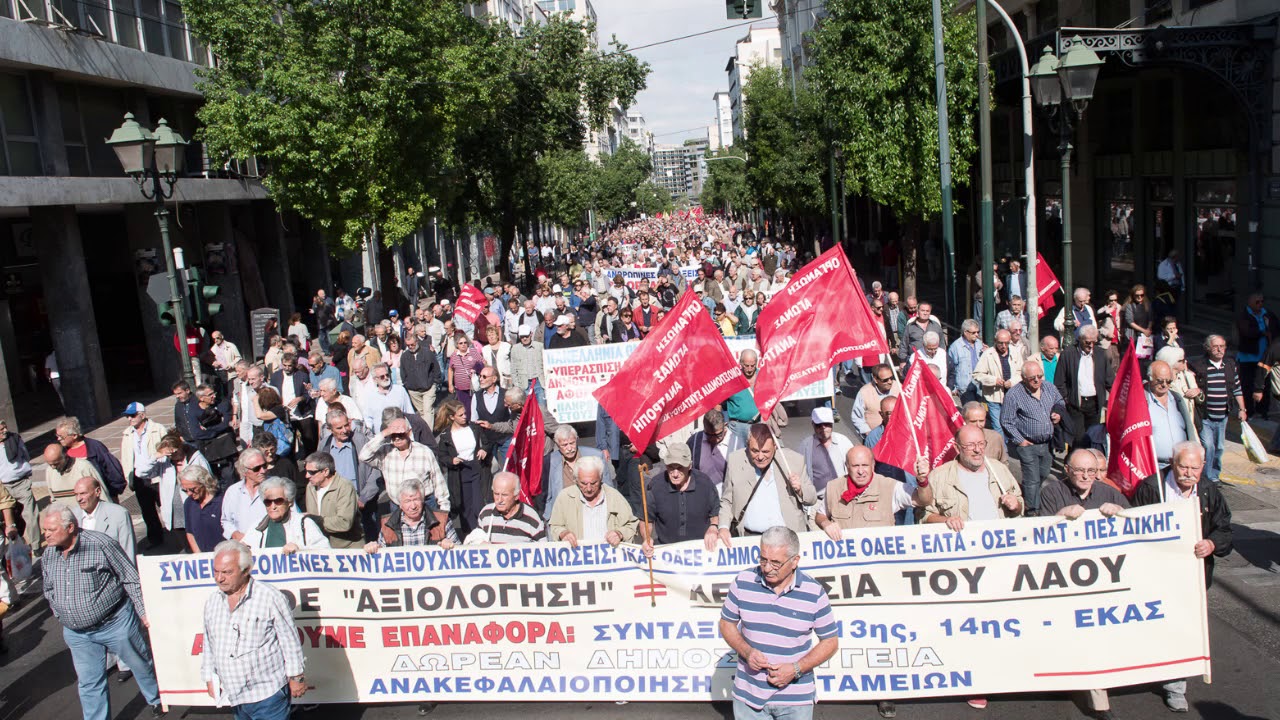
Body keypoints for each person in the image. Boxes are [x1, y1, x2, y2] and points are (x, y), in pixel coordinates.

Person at [39, 505, 166, 719]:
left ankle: (156, 698)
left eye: (51, 530)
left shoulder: (100, 544)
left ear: (70, 527)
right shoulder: (49, 555)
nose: (46, 535)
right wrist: (59, 612)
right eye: (45, 530)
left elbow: (130, 577)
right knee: (89, 682)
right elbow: (49, 587)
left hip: (115, 623)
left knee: (140, 663)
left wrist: (143, 612)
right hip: (77, 633)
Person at [1133, 442, 1231, 713]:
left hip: (1192, 576)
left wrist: (1211, 544)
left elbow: (1224, 529)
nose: (1188, 473)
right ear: (1172, 464)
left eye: (1194, 468)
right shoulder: (1152, 488)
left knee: (1182, 629)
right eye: (1183, 466)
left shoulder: (1209, 491)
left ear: (1203, 467)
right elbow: (1130, 528)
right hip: (1155, 574)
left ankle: (1176, 687)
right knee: (1153, 626)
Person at [719, 526, 839, 720]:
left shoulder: (814, 592)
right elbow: (726, 624)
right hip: (748, 696)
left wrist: (796, 669)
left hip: (796, 699)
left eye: (776, 563)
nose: (767, 568)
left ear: (795, 561)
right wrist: (747, 651)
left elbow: (830, 642)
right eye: (763, 559)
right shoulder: (743, 582)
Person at [203, 541, 309, 717]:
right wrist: (209, 677)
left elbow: (289, 640)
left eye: (227, 572)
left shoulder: (270, 597)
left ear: (245, 571)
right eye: (216, 571)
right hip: (235, 695)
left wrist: (296, 677)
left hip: (268, 694)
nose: (219, 578)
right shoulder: (213, 601)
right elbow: (209, 643)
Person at [718, 424, 816, 542]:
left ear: (775, 446)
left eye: (765, 451)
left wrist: (800, 489)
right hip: (750, 537)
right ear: (748, 445)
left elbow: (812, 498)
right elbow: (727, 500)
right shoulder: (735, 460)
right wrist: (723, 527)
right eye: (754, 451)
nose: (760, 457)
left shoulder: (793, 461)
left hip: (786, 537)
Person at [921, 425, 1024, 528]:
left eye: (981, 444)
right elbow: (924, 515)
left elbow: (1019, 507)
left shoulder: (1000, 470)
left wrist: (1016, 506)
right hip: (961, 541)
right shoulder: (939, 476)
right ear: (957, 448)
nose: (977, 450)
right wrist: (946, 521)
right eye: (970, 445)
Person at [816, 446, 931, 536]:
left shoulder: (889, 487)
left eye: (865, 465)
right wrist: (826, 523)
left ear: (873, 465)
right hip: (846, 562)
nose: (861, 471)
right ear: (847, 466)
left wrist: (922, 481)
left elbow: (923, 501)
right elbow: (820, 515)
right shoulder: (833, 487)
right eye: (855, 466)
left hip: (879, 562)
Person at [1001, 360, 1066, 516]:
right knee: (1032, 480)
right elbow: (1006, 421)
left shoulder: (1049, 387)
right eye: (1032, 378)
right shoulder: (1014, 394)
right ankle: (1032, 511)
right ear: (1023, 378)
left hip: (1047, 443)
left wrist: (1058, 413)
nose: (1037, 380)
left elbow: (1060, 401)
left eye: (1039, 376)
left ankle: (1031, 498)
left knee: (1042, 474)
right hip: (1027, 444)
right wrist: (1020, 440)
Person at [637, 444, 720, 553]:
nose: (675, 474)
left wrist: (713, 527)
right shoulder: (656, 486)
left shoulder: (705, 484)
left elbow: (715, 512)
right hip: (667, 551)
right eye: (671, 467)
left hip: (701, 551)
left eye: (680, 468)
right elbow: (646, 520)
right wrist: (646, 539)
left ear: (689, 466)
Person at [360, 415, 449, 518]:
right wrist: (384, 433)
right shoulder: (385, 453)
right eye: (393, 435)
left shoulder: (424, 451)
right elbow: (364, 456)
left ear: (409, 432)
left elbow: (438, 481)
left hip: (425, 505)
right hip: (397, 506)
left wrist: (444, 511)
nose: (397, 438)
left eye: (400, 434)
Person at [319, 408, 383, 542]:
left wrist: (364, 498)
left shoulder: (362, 441)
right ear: (330, 429)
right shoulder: (324, 445)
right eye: (339, 428)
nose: (345, 430)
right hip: (335, 504)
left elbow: (376, 472)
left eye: (346, 425)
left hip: (361, 503)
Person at [1190, 335, 1246, 484]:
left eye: (1222, 346)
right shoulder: (1198, 366)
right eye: (1216, 346)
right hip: (1205, 416)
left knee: (1219, 448)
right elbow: (1188, 382)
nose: (1220, 349)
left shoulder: (1229, 365)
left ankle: (1214, 476)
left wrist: (1242, 409)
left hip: (1223, 416)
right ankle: (1207, 479)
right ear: (1208, 348)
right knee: (1208, 447)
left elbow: (1237, 389)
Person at [548, 455, 637, 548]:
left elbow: (631, 524)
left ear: (601, 478)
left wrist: (619, 534)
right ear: (576, 480)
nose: (589, 489)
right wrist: (563, 533)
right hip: (578, 558)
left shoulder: (614, 497)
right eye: (584, 483)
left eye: (594, 483)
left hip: (609, 558)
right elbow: (555, 526)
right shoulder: (565, 497)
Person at [434, 399, 490, 535]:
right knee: (466, 508)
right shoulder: (446, 435)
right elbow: (442, 456)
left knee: (479, 505)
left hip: (476, 469)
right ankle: (470, 534)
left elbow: (487, 443)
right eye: (461, 415)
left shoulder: (474, 428)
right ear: (452, 417)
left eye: (465, 413)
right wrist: (451, 460)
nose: (465, 416)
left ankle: (483, 532)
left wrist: (484, 450)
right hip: (460, 472)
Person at [1054, 325, 1113, 447]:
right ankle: (1074, 462)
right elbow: (1060, 381)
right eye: (1087, 342)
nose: (1091, 345)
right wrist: (1066, 399)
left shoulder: (1101, 354)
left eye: (1094, 342)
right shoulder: (1068, 354)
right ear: (1080, 339)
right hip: (1076, 404)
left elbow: (1110, 380)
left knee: (1092, 437)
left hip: (1095, 404)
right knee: (1078, 439)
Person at [541, 424, 615, 519]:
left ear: (577, 439)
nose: (569, 448)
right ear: (557, 444)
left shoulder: (595, 456)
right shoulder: (550, 461)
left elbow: (608, 487)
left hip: (592, 511)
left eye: (572, 443)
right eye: (564, 445)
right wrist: (548, 519)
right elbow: (547, 496)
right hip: (564, 514)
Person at [242, 477, 329, 551]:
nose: (273, 506)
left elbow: (325, 552)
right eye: (268, 502)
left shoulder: (305, 524)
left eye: (278, 501)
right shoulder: (256, 527)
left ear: (290, 501)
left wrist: (300, 550)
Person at [301, 451, 363, 548]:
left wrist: (318, 520)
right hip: (321, 547)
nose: (307, 476)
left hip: (347, 548)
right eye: (306, 471)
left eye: (312, 472)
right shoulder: (310, 487)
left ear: (325, 471)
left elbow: (345, 522)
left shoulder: (344, 487)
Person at [796, 407, 855, 506]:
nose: (823, 428)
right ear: (813, 425)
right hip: (818, 502)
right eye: (819, 425)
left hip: (843, 499)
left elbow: (855, 466)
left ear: (832, 424)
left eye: (827, 424)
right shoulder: (805, 446)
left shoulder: (843, 441)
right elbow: (799, 472)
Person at [1236, 292, 1280, 416]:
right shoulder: (1244, 316)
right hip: (1248, 357)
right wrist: (1262, 333)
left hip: (1265, 357)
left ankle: (1263, 410)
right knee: (1247, 384)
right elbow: (1246, 332)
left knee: (1265, 384)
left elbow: (1276, 329)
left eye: (1262, 301)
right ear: (1250, 303)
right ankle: (1248, 410)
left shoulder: (1268, 314)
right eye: (1257, 302)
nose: (1260, 304)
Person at [973, 329, 1025, 431]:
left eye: (1006, 343)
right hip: (994, 397)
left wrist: (1012, 382)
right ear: (995, 341)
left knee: (1011, 424)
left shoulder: (1015, 353)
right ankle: (1002, 447)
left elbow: (1021, 372)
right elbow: (977, 374)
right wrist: (994, 380)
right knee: (998, 426)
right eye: (1001, 343)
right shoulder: (988, 354)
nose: (1004, 346)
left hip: (1012, 396)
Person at [1147, 360, 1192, 475]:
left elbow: (1189, 428)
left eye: (1168, 381)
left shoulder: (1177, 399)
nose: (1164, 385)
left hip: (1180, 464)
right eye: (1160, 381)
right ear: (1150, 379)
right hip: (1154, 466)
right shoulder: (1142, 400)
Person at [475, 471, 547, 544]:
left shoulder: (531, 517)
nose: (499, 500)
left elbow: (543, 549)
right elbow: (474, 542)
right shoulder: (486, 513)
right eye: (496, 494)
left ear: (516, 496)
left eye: (504, 495)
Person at [0, 418, 36, 549]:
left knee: (30, 515)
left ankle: (36, 546)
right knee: (13, 517)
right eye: (1, 429)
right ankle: (16, 544)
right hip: (4, 486)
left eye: (5, 427)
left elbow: (25, 455)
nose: (5, 431)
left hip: (21, 483)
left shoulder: (14, 439)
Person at [221, 448, 271, 542]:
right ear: (244, 471)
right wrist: (235, 534)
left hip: (269, 546)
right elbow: (226, 521)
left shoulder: (277, 486)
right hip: (242, 546)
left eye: (264, 466)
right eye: (257, 468)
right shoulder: (233, 491)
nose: (263, 471)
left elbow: (292, 515)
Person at [687, 410, 742, 492]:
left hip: (725, 496)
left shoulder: (736, 444)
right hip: (700, 493)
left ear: (725, 426)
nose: (713, 439)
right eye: (708, 434)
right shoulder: (694, 441)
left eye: (718, 435)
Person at [43, 442, 108, 507]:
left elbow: (102, 495)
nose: (53, 467)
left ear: (65, 456)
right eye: (50, 464)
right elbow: (54, 500)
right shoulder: (50, 471)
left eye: (56, 464)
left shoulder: (84, 467)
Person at [180, 465, 226, 553]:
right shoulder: (189, 503)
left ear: (204, 483)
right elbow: (190, 533)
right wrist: (199, 556)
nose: (189, 493)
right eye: (185, 490)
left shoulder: (222, 501)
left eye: (192, 489)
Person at [361, 362, 416, 434]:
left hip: (400, 434)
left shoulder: (400, 390)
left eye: (387, 375)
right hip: (382, 436)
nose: (386, 378)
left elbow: (410, 413)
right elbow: (368, 419)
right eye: (382, 376)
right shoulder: (370, 396)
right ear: (375, 379)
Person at [947, 320, 984, 403]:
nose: (977, 335)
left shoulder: (979, 343)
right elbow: (951, 369)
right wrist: (954, 387)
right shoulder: (955, 347)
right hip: (965, 386)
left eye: (978, 332)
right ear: (966, 332)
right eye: (973, 333)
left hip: (979, 384)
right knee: (970, 411)